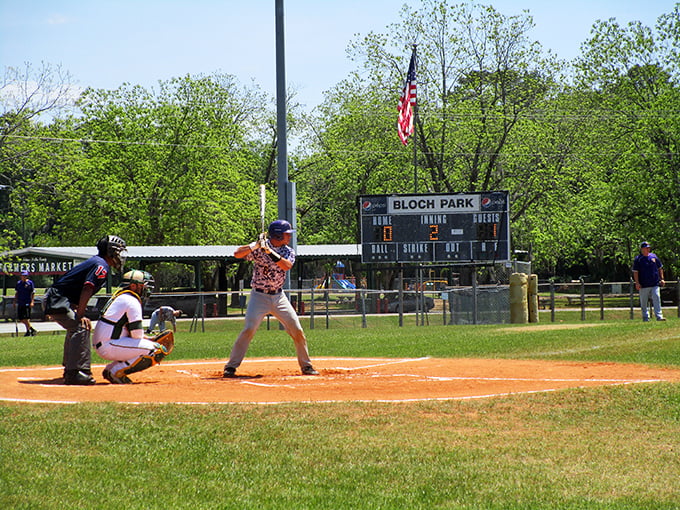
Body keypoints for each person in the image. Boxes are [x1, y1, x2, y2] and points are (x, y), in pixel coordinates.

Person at [223, 220, 318, 378]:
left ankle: (306, 366)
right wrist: (255, 245)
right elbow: (237, 254)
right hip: (258, 296)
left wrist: (269, 252)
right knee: (249, 329)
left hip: (279, 297)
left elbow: (286, 265)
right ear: (278, 235)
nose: (289, 237)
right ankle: (231, 367)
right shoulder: (259, 249)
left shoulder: (288, 251)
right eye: (286, 234)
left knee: (297, 330)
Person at [43, 235, 127, 385]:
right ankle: (76, 372)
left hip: (57, 298)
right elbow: (87, 288)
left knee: (76, 327)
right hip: (57, 299)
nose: (120, 256)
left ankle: (71, 369)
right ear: (111, 252)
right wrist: (80, 314)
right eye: (118, 252)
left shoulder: (98, 262)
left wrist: (77, 311)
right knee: (80, 326)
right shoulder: (101, 265)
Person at [93, 270, 173, 384]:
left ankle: (110, 369)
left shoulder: (122, 297)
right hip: (109, 344)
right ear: (133, 286)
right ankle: (115, 371)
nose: (146, 289)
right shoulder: (132, 300)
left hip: (107, 342)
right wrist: (151, 340)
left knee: (149, 346)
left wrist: (147, 339)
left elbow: (132, 332)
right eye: (143, 286)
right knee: (157, 350)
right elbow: (136, 335)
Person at [632, 241, 666, 322]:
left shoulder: (654, 257)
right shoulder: (638, 259)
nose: (647, 249)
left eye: (648, 248)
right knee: (644, 302)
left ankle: (659, 316)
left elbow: (660, 268)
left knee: (657, 297)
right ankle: (645, 317)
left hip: (654, 283)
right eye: (645, 248)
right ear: (642, 249)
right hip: (643, 284)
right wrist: (637, 283)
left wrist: (662, 279)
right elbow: (635, 272)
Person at [14, 270, 37, 337]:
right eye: (22, 275)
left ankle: (28, 331)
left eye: (25, 275)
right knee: (21, 318)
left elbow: (32, 293)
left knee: (26, 317)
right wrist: (14, 301)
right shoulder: (18, 283)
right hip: (20, 302)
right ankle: (32, 329)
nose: (24, 277)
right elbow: (17, 293)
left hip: (27, 302)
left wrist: (32, 301)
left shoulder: (30, 283)